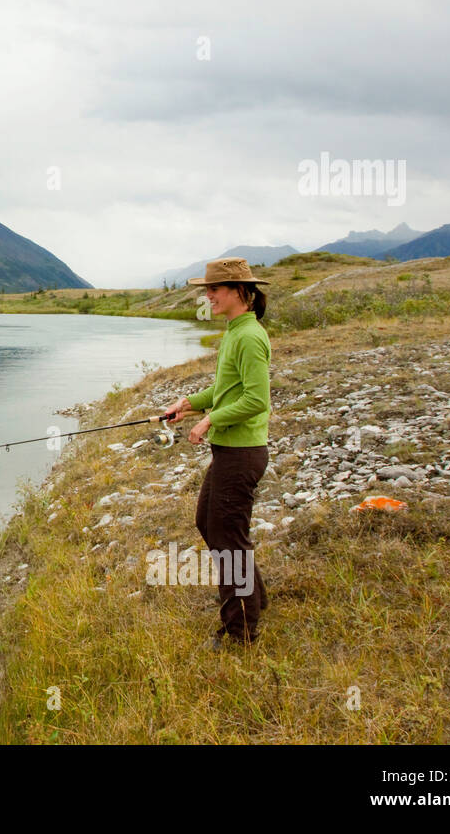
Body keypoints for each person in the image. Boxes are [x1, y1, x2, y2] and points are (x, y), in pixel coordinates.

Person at [163, 258, 272, 649]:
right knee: (211, 525)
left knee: (229, 539)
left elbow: (257, 400)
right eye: (207, 290)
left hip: (242, 453)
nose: (207, 296)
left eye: (214, 289)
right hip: (232, 452)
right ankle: (253, 598)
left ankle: (240, 631)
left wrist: (209, 421)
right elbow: (225, 391)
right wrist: (188, 404)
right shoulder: (236, 332)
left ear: (240, 292)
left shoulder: (248, 337)